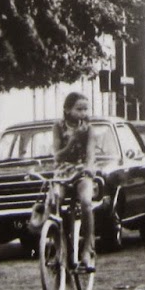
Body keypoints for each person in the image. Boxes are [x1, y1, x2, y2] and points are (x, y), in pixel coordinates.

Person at [47, 92, 98, 272]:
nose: (83, 113)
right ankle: (58, 248)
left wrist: (88, 167)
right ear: (67, 110)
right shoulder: (58, 127)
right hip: (63, 171)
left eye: (85, 109)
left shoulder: (89, 129)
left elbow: (91, 154)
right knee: (53, 202)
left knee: (85, 202)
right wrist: (72, 141)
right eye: (79, 109)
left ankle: (87, 250)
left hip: (82, 170)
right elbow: (57, 155)